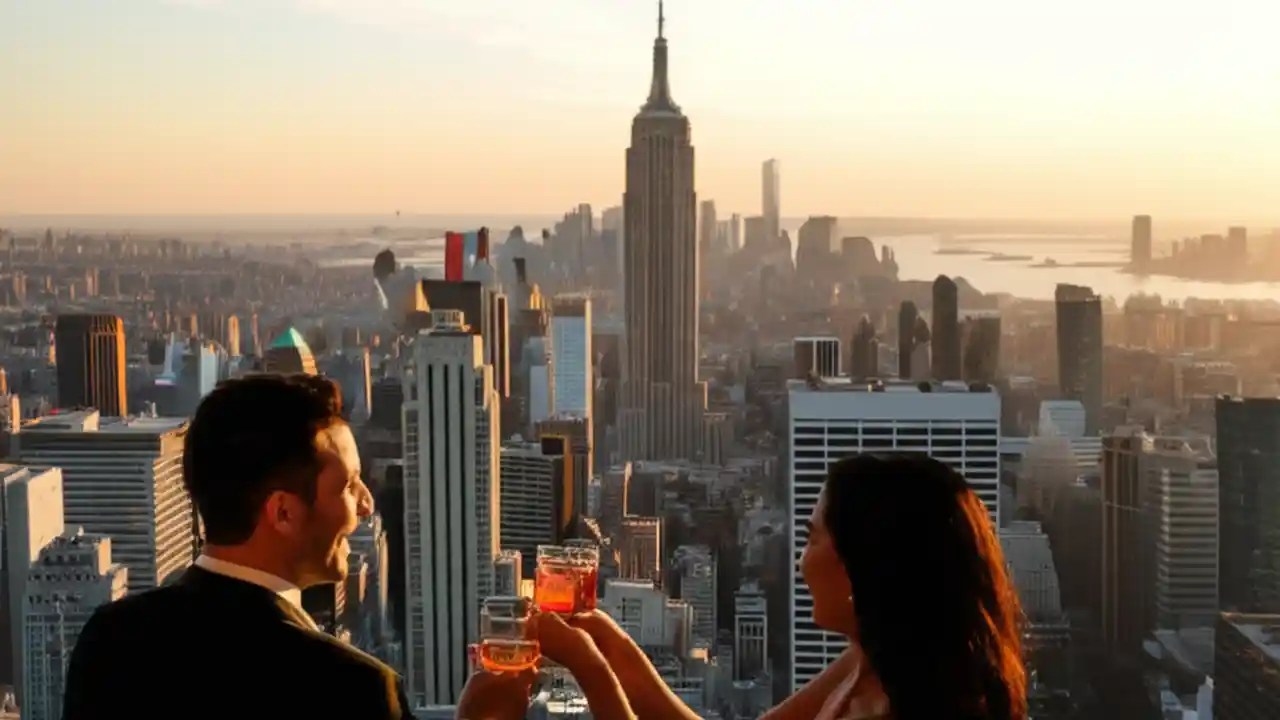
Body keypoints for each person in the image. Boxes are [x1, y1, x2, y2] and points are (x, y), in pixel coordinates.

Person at [540, 452, 1027, 720]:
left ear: (863, 563)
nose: (800, 560)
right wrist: (609, 645)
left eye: (813, 538)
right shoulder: (873, 662)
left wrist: (588, 666)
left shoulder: (888, 710)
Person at [62, 375, 419, 719]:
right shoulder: (354, 691)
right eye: (348, 485)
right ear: (283, 513)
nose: (367, 503)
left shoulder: (109, 642)